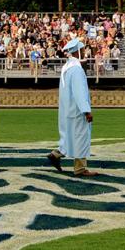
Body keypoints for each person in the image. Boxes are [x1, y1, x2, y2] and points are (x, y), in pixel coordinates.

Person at [47, 37, 96, 176]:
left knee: (70, 136)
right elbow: (80, 92)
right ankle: (80, 168)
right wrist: (86, 111)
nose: (84, 52)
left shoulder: (67, 68)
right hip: (77, 110)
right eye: (81, 50)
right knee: (80, 137)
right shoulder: (76, 70)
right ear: (77, 52)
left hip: (68, 108)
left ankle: (56, 154)